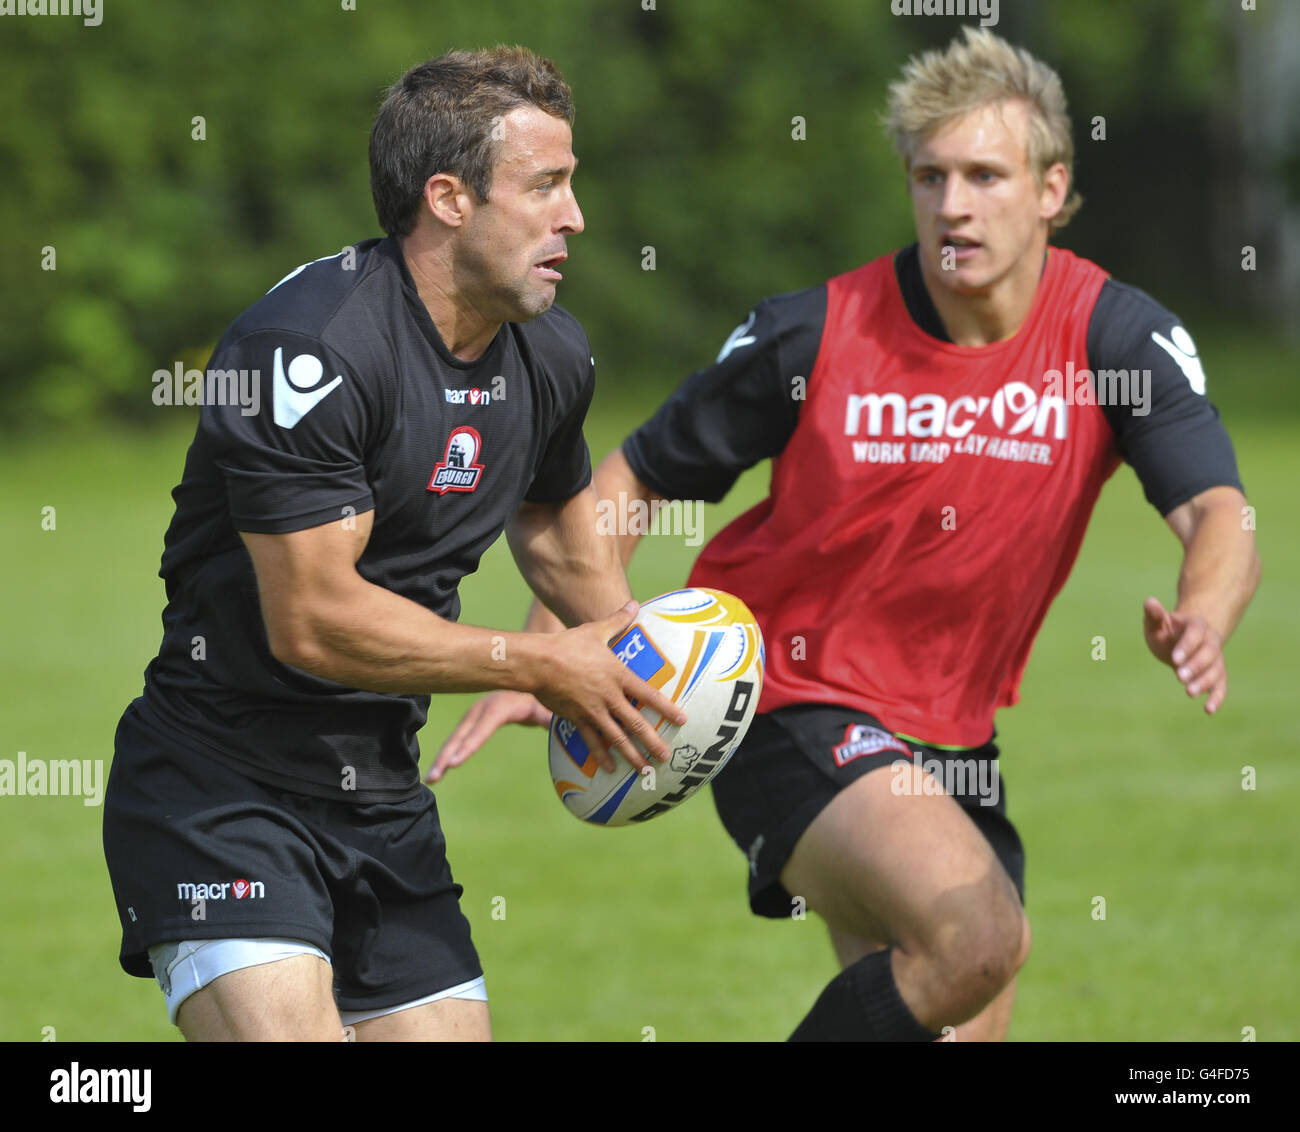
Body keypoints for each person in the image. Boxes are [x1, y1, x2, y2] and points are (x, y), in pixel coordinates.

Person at [433, 28, 1262, 1041]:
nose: (953, 204)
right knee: (977, 935)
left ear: (1051, 189)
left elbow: (1217, 510)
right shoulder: (815, 330)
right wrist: (565, 645)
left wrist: (1203, 614)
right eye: (930, 176)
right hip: (782, 695)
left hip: (954, 736)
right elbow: (631, 479)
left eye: (985, 176)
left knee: (952, 1009)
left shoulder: (1112, 338)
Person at [101, 46, 684, 1042]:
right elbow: (314, 619)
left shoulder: (550, 353)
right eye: (545, 187)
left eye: (572, 185)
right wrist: (538, 659)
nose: (575, 218)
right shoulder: (313, 348)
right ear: (449, 198)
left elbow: (551, 525)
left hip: (380, 790)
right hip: (219, 788)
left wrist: (646, 671)